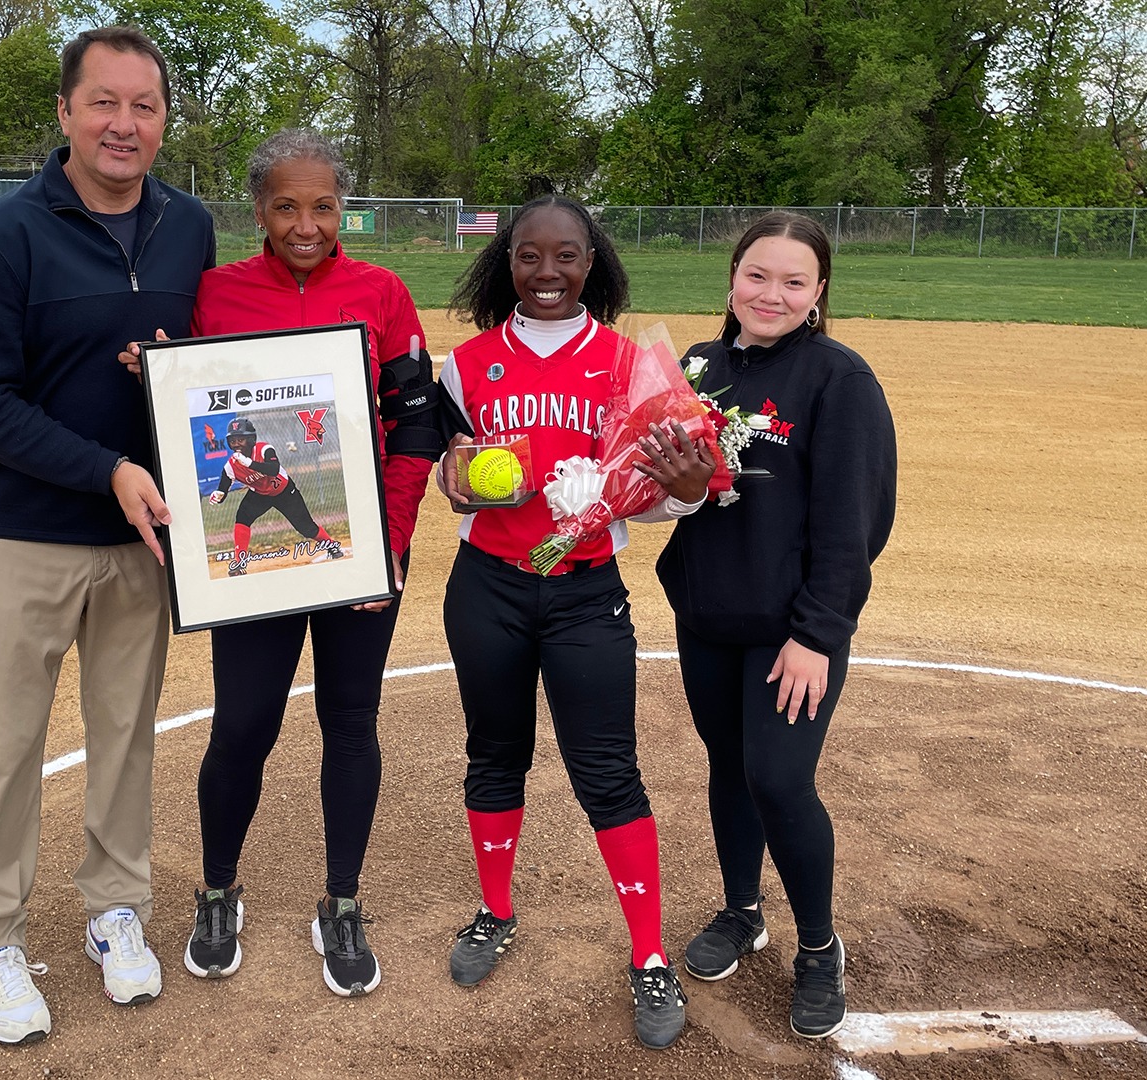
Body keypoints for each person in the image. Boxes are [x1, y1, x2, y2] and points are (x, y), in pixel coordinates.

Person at [0, 26, 215, 1046]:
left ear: (164, 120)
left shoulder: (189, 227)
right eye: (104, 102)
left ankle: (115, 908)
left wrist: (176, 370)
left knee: (125, 735)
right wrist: (106, 469)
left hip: (142, 539)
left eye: (145, 106)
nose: (124, 124)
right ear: (65, 113)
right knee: (8, 746)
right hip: (19, 537)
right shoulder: (4, 234)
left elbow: (200, 365)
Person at [133, 128, 442, 997]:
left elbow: (416, 427)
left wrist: (390, 545)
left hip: (359, 559)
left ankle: (341, 901)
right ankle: (217, 891)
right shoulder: (217, 293)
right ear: (259, 210)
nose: (306, 225)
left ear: (345, 208)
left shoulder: (382, 292)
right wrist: (152, 377)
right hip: (259, 568)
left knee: (351, 724)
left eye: (324, 207)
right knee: (243, 728)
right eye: (286, 207)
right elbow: (184, 413)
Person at [433, 195, 716, 1049]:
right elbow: (455, 479)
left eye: (566, 255)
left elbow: (661, 497)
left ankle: (649, 954)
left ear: (592, 263)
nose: (547, 272)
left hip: (587, 592)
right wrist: (457, 483)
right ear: (507, 262)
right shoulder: (467, 365)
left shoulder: (631, 364)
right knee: (494, 754)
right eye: (529, 255)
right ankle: (495, 911)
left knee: (608, 772)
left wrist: (687, 491)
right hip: (488, 587)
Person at [657, 211, 896, 1040]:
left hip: (789, 628)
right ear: (732, 278)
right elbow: (665, 489)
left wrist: (818, 634)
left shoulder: (839, 379)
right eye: (757, 274)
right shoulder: (697, 366)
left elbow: (854, 524)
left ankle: (820, 947)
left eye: (794, 281)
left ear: (819, 291)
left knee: (781, 780)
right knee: (731, 767)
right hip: (707, 615)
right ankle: (742, 912)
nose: (772, 294)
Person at [208, 416, 345, 575]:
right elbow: (223, 490)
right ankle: (239, 563)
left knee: (306, 528)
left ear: (251, 439)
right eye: (233, 441)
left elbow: (273, 469)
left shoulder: (264, 449)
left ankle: (332, 545)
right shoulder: (231, 466)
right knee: (242, 518)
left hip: (284, 492)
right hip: (260, 495)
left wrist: (249, 463)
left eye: (241, 440)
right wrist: (219, 495)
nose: (237, 444)